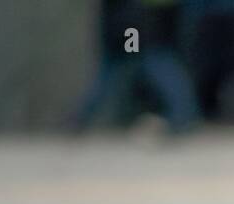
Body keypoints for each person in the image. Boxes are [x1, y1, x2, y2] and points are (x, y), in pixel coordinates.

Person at [70, 0, 200, 135]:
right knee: (160, 70)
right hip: (131, 35)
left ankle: (77, 121)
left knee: (108, 80)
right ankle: (183, 117)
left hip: (129, 35)